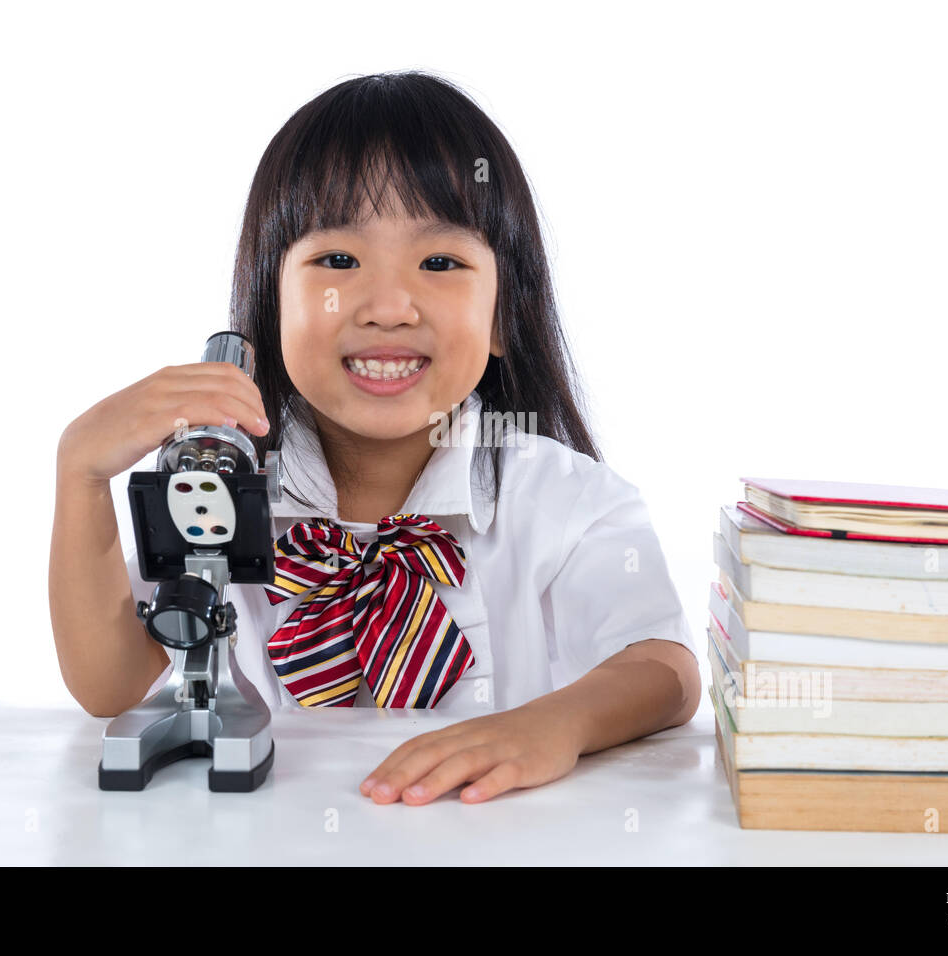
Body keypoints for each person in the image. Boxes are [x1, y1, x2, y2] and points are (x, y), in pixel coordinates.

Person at [51, 70, 702, 806]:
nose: (388, 307)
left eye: (440, 263)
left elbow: (665, 671)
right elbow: (110, 687)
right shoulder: (222, 483)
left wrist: (554, 724)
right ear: (274, 301)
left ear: (501, 318)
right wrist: (79, 472)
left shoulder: (565, 498)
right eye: (337, 261)